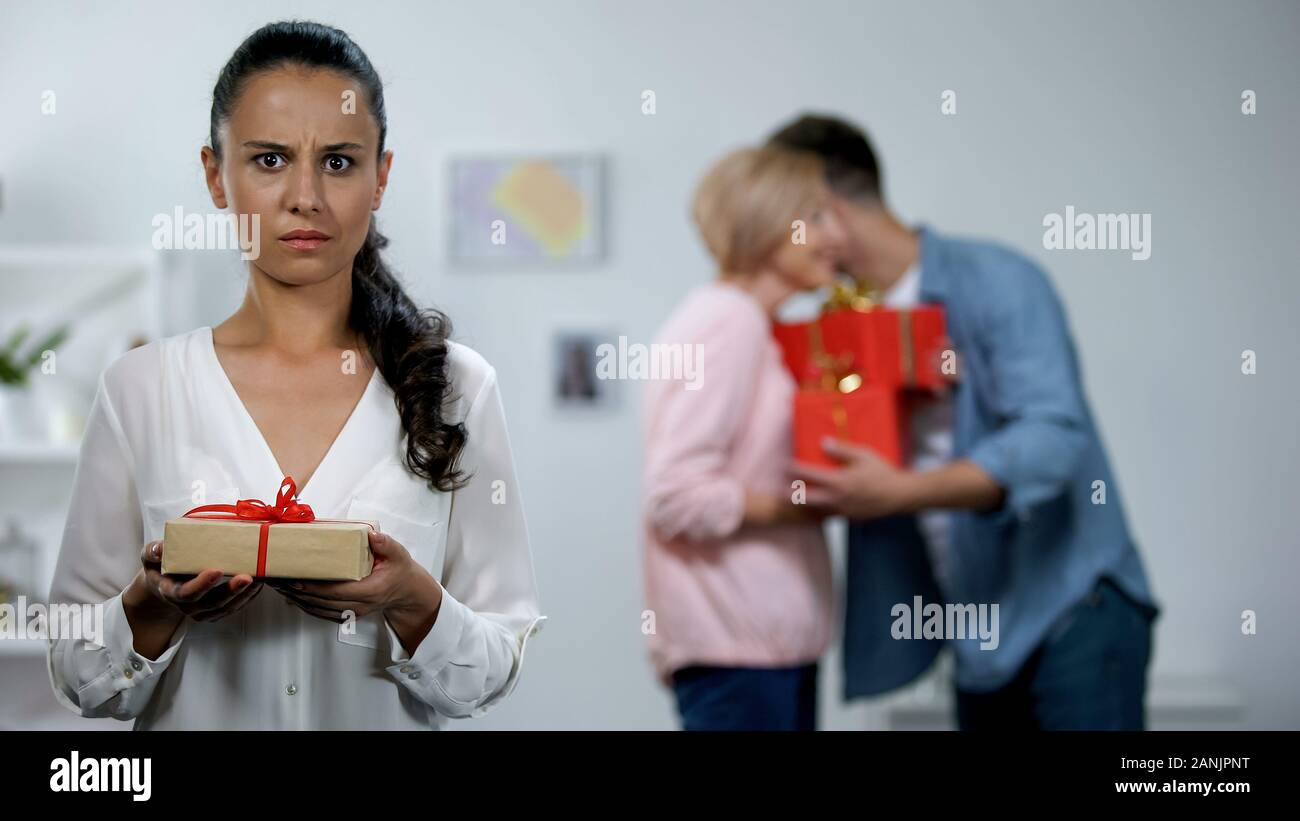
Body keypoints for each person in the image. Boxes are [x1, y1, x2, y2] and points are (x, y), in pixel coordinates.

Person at [45, 21, 544, 730]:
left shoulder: (458, 387)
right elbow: (78, 673)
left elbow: (491, 667)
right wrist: (154, 601)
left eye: (339, 162)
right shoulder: (140, 389)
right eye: (270, 159)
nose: (305, 196)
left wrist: (410, 599)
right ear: (217, 176)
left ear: (382, 177)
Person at [770, 114, 1160, 730]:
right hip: (977, 633)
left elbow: (1052, 438)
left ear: (825, 208)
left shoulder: (999, 280)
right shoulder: (837, 329)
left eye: (783, 218)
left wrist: (899, 493)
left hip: (1072, 611)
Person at [641, 145, 845, 730]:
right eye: (819, 217)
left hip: (761, 648)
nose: (837, 237)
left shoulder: (748, 324)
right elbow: (676, 494)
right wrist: (803, 506)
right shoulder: (728, 322)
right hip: (738, 650)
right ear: (769, 220)